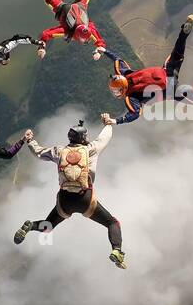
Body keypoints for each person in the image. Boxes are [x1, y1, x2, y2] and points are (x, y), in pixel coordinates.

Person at [14, 115, 127, 269]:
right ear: (83, 137)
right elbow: (104, 138)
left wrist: (30, 140)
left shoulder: (59, 151)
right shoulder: (91, 150)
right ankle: (117, 250)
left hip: (65, 200)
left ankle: (31, 225)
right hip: (85, 199)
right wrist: (108, 123)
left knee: (48, 226)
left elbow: (39, 152)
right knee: (112, 222)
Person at [100, 13, 193, 125]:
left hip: (170, 89)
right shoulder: (125, 74)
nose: (116, 94)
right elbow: (116, 58)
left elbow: (134, 115)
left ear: (123, 88)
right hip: (167, 70)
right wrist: (104, 50)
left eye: (117, 91)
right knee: (177, 53)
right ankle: (184, 33)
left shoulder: (132, 97)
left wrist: (116, 121)